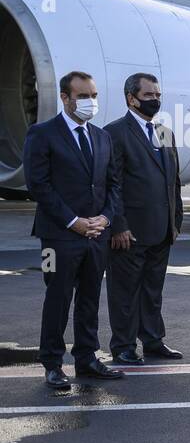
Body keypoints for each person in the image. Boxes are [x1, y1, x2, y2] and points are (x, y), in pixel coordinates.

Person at [23, 71, 123, 387]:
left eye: (93, 95)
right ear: (65, 98)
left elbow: (113, 185)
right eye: (82, 96)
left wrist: (105, 219)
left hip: (96, 234)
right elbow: (39, 185)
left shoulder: (102, 137)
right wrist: (73, 221)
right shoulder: (42, 134)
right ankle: (52, 363)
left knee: (90, 298)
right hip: (59, 235)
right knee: (58, 297)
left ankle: (87, 358)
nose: (89, 102)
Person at [105, 72, 184, 364]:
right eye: (149, 95)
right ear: (131, 98)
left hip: (161, 230)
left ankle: (152, 340)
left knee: (152, 290)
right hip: (129, 232)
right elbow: (111, 184)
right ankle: (123, 345)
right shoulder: (114, 133)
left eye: (158, 95)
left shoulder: (165, 132)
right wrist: (118, 225)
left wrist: (175, 221)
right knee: (124, 292)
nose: (155, 100)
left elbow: (172, 181)